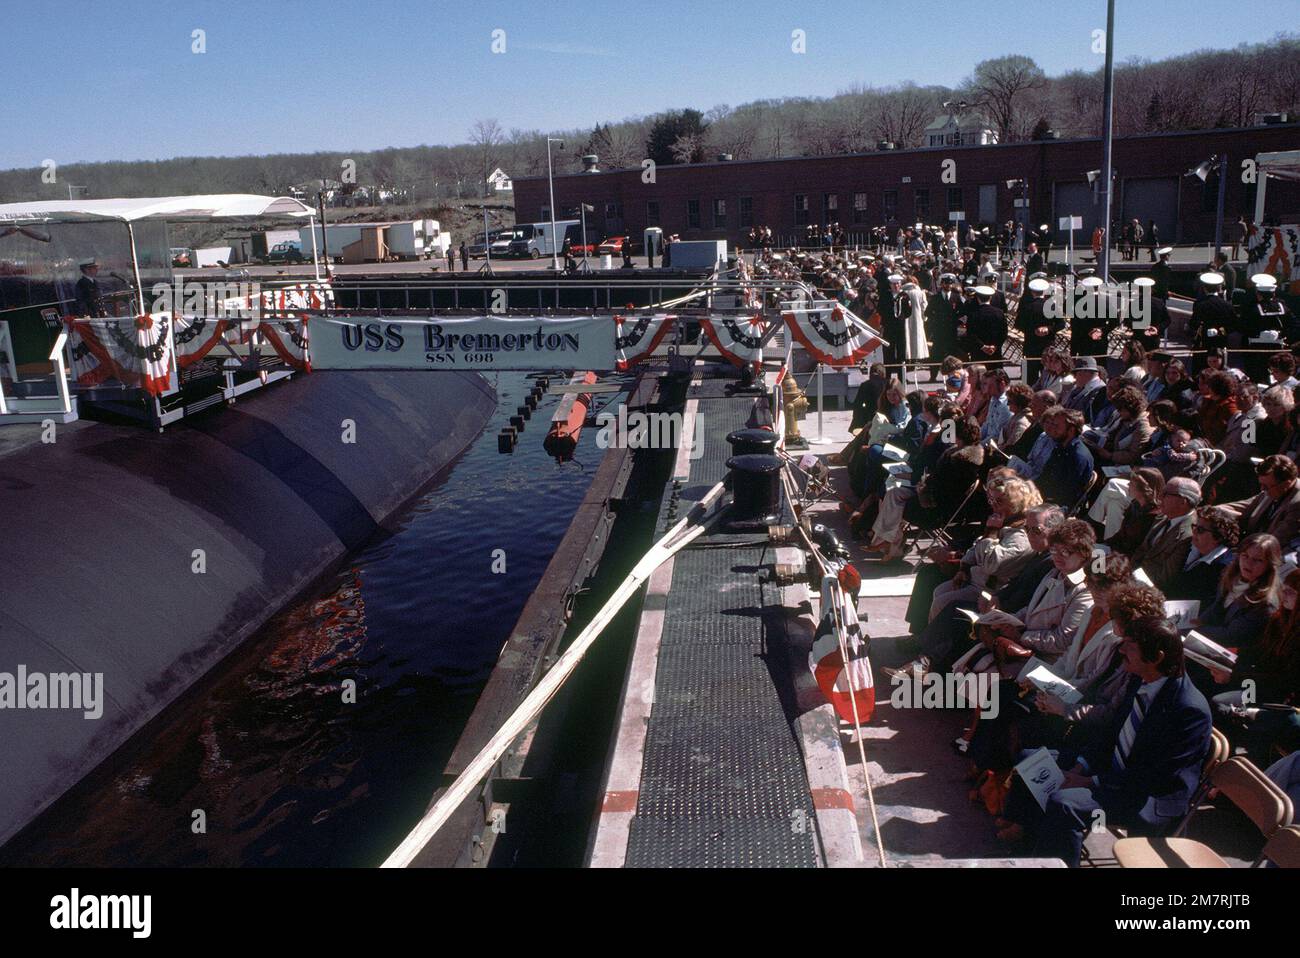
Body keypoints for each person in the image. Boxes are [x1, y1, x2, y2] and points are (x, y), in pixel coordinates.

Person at [1025, 615, 1212, 867]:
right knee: (1032, 759)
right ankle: (1029, 844)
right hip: (1116, 772)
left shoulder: (1188, 710)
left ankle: (1051, 860)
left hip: (1147, 797)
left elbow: (1153, 776)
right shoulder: (1140, 678)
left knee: (1064, 804)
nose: (1120, 649)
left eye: (1129, 646)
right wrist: (1080, 767)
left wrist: (1089, 781)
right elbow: (1110, 734)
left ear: (1156, 657)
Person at [1193, 533, 1282, 651]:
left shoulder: (1265, 604)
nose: (1248, 563)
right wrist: (1197, 622)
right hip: (1210, 642)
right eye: (1245, 556)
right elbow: (1216, 608)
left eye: (1258, 560)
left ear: (1269, 565)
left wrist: (1194, 631)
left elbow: (1230, 636)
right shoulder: (1231, 577)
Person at [1130, 476, 1200, 591]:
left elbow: (1165, 579)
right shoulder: (1162, 517)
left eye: (1166, 494)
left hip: (1147, 591)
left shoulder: (1188, 536)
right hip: (1131, 577)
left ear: (1183, 502)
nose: (1160, 497)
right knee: (1097, 561)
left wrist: (1131, 579)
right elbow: (1141, 550)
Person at [1164, 505, 1237, 602]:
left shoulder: (1222, 567)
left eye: (1200, 530)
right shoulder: (1193, 549)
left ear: (1218, 536)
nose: (1194, 531)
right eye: (1194, 526)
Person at [1223, 455, 1300, 545]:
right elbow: (1242, 507)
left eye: (1266, 486)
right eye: (1261, 484)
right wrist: (1209, 511)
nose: (1262, 489)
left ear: (1286, 484)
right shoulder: (1273, 489)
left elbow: (1277, 540)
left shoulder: (1297, 504)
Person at [1037, 405, 1094, 507]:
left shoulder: (1078, 456)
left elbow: (1067, 494)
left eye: (1057, 426)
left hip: (1057, 506)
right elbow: (1044, 476)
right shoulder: (1060, 447)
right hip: (1045, 496)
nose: (1052, 429)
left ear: (1071, 430)